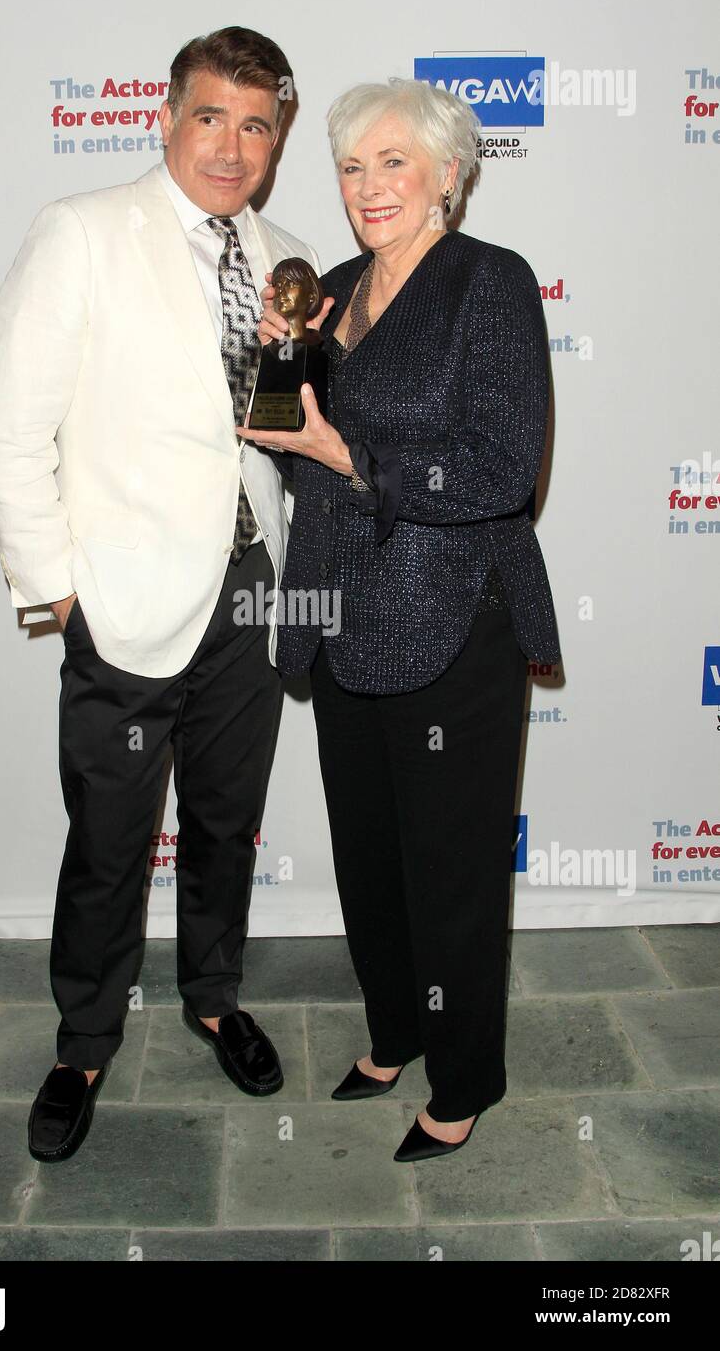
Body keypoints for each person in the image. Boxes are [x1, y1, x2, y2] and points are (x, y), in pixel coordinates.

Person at [0, 27, 320, 1162]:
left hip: (248, 592)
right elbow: (8, 431)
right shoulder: (82, 233)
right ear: (165, 115)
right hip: (118, 604)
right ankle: (81, 1041)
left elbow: (276, 437)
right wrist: (56, 592)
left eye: (255, 124)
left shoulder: (291, 262)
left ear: (275, 140)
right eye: (210, 116)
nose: (231, 145)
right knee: (110, 838)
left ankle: (213, 995)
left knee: (225, 822)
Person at [237, 77, 561, 1162]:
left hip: (449, 618)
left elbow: (501, 468)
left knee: (450, 866)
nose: (367, 186)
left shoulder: (489, 283)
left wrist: (352, 457)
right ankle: (391, 1030)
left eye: (392, 163)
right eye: (348, 165)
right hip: (338, 616)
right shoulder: (323, 288)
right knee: (367, 853)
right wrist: (278, 371)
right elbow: (287, 426)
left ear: (444, 178)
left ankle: (462, 1077)